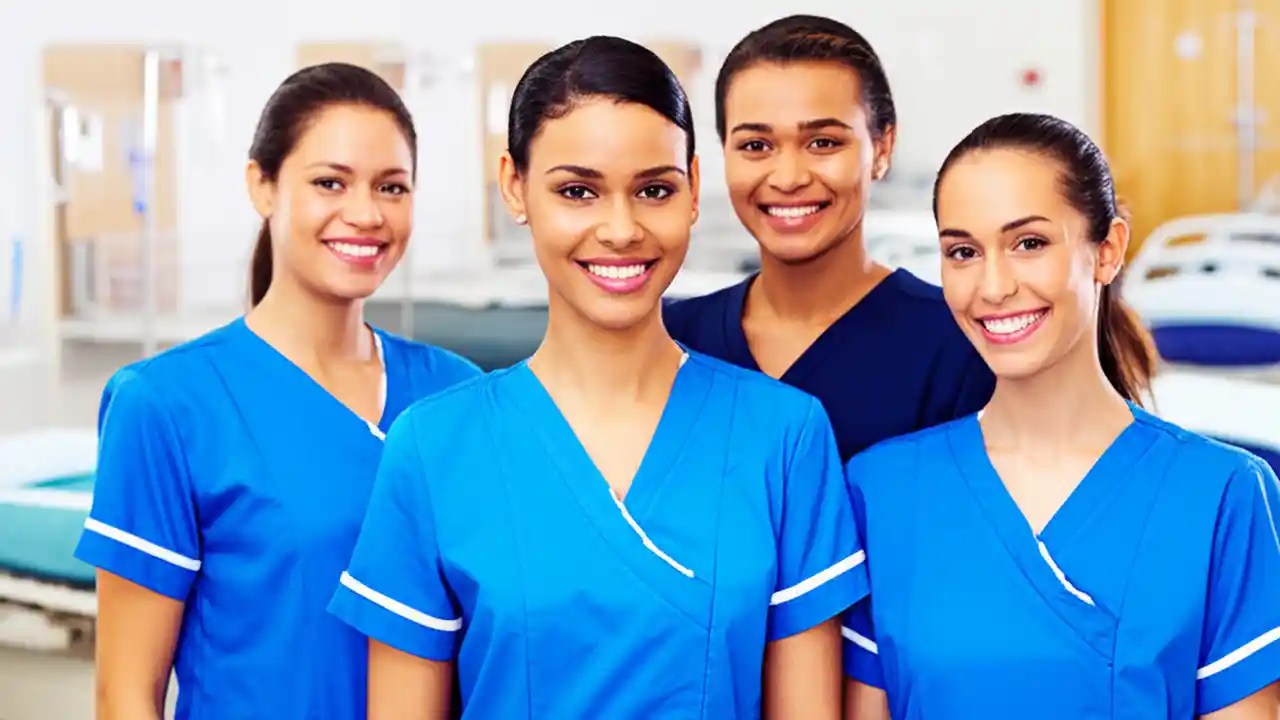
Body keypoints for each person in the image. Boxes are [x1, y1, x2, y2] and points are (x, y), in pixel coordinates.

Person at [327, 36, 865, 719]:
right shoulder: (434, 447)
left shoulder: (783, 438)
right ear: (515, 187)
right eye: (578, 191)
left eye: (654, 190)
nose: (620, 229)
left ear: (694, 190)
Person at [73, 62, 481, 719]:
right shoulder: (169, 405)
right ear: (261, 185)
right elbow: (125, 694)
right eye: (330, 182)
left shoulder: (458, 396)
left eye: (392, 186)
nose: (366, 213)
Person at [842, 113, 1280, 719]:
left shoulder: (1222, 496)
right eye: (963, 252)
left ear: (1107, 251)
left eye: (1029, 243)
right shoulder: (883, 492)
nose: (993, 286)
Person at [662, 14, 995, 462]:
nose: (789, 177)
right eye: (756, 146)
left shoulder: (958, 344)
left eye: (823, 143)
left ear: (882, 148)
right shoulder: (673, 339)